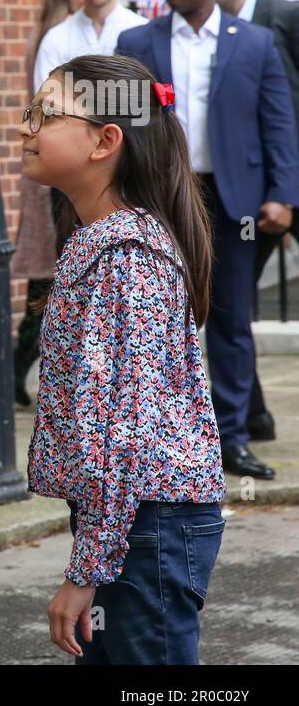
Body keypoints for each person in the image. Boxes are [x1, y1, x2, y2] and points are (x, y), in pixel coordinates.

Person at [22, 53, 225, 664]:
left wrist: (87, 569)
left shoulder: (128, 258)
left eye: (46, 113)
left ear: (105, 141)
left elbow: (127, 433)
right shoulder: (102, 242)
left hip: (147, 526)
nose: (27, 126)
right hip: (134, 522)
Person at [117, 0, 299, 480]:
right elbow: (124, 125)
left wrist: (282, 194)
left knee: (231, 317)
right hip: (164, 195)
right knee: (157, 313)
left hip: (232, 197)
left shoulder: (255, 42)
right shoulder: (138, 41)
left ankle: (231, 438)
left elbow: (279, 122)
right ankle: (158, 436)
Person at [199, 0, 299, 443]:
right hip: (249, 196)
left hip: (288, 181)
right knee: (232, 304)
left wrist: (287, 186)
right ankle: (251, 413)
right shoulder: (212, 32)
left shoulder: (284, 17)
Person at [12, 0, 81, 406]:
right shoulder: (55, 37)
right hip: (53, 174)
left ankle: (18, 368)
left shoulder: (44, 32)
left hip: (49, 169)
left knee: (48, 275)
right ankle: (18, 365)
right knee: (51, 276)